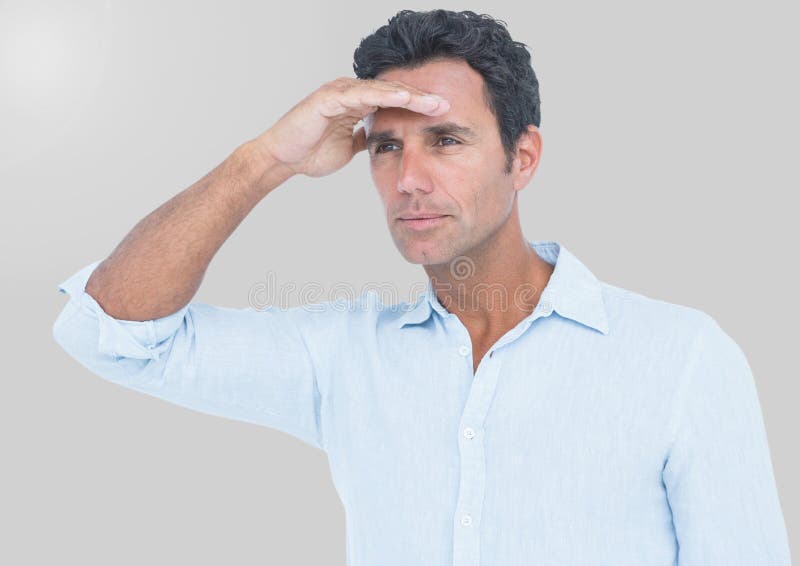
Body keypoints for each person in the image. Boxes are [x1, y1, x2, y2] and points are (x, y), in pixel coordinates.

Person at [52, 9, 791, 566]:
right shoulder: (344, 356)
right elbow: (115, 332)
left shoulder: (682, 359)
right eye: (386, 146)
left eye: (446, 141)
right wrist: (266, 160)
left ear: (522, 157)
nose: (408, 179)